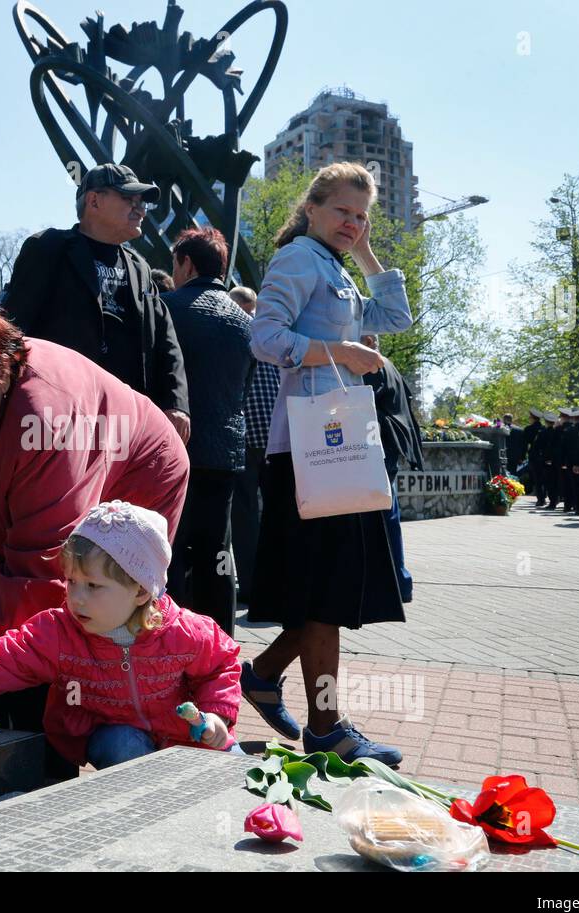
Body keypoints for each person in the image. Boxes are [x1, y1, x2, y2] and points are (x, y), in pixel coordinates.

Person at [0, 301, 189, 774]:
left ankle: (103, 745)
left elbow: (41, 571)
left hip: (137, 470)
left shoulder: (48, 418)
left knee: (90, 603)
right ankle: (21, 728)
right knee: (19, 624)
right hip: (32, 458)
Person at [0, 501, 243, 770]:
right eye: (72, 581)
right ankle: (144, 809)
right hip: (116, 735)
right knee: (121, 745)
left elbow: (221, 666)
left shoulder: (185, 632)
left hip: (191, 736)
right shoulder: (59, 632)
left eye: (93, 586)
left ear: (141, 591)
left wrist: (217, 716)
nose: (76, 597)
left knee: (240, 778)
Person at [242, 161, 413, 765]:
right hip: (307, 450)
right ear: (311, 208)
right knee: (322, 591)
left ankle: (263, 677)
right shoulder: (296, 259)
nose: (352, 222)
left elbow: (394, 319)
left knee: (330, 588)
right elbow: (263, 337)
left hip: (339, 447)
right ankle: (325, 726)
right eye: (342, 210)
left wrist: (367, 254)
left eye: (362, 215)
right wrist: (333, 351)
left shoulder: (335, 267)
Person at [0, 163, 190, 442]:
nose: (140, 209)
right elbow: (13, 329)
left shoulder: (140, 268)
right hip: (60, 419)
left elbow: (165, 341)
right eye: (129, 199)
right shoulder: (49, 248)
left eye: (142, 203)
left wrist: (176, 403)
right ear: (94, 200)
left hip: (126, 424)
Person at [161, 227, 251, 636]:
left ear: (186, 264)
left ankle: (169, 643)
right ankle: (219, 645)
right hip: (225, 452)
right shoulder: (244, 321)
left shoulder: (164, 308)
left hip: (173, 451)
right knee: (218, 554)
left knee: (169, 553)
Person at [361, 334, 423, 604]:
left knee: (382, 522)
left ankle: (391, 584)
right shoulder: (389, 365)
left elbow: (363, 404)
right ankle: (399, 583)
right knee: (389, 519)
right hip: (388, 451)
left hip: (378, 449)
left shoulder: (373, 366)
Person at [228, 285, 278, 605]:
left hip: (247, 439)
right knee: (274, 514)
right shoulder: (272, 337)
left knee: (245, 516)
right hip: (276, 438)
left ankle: (251, 584)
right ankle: (275, 585)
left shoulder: (236, 334)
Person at [522, 409, 544, 500]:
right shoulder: (544, 428)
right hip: (544, 455)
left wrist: (523, 456)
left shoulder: (528, 429)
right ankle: (546, 495)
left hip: (534, 454)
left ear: (532, 418)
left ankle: (540, 498)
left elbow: (524, 444)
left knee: (536, 477)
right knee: (544, 476)